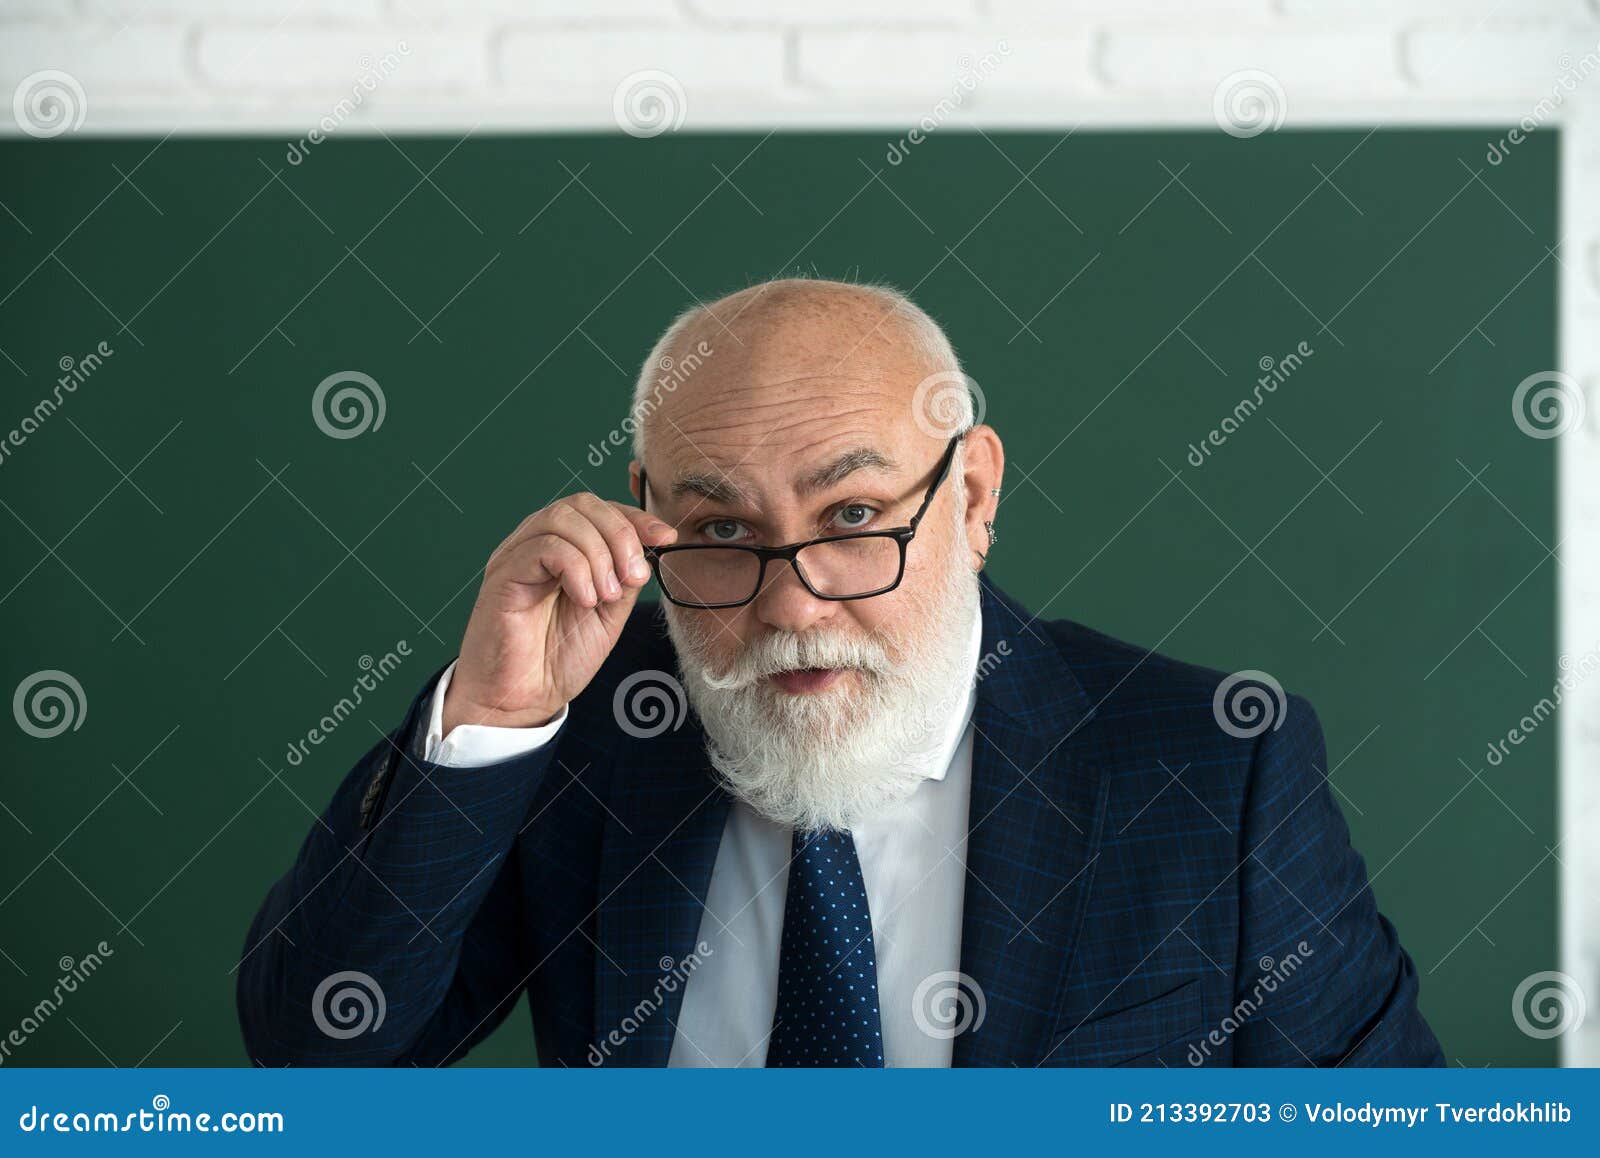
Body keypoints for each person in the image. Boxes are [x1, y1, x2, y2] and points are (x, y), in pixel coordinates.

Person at [237, 277, 1442, 1067]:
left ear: (972, 496)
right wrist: (495, 719)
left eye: (854, 515)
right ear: (647, 518)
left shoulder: (1213, 772)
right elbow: (316, 1059)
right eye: (719, 531)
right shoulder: (588, 736)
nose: (791, 604)